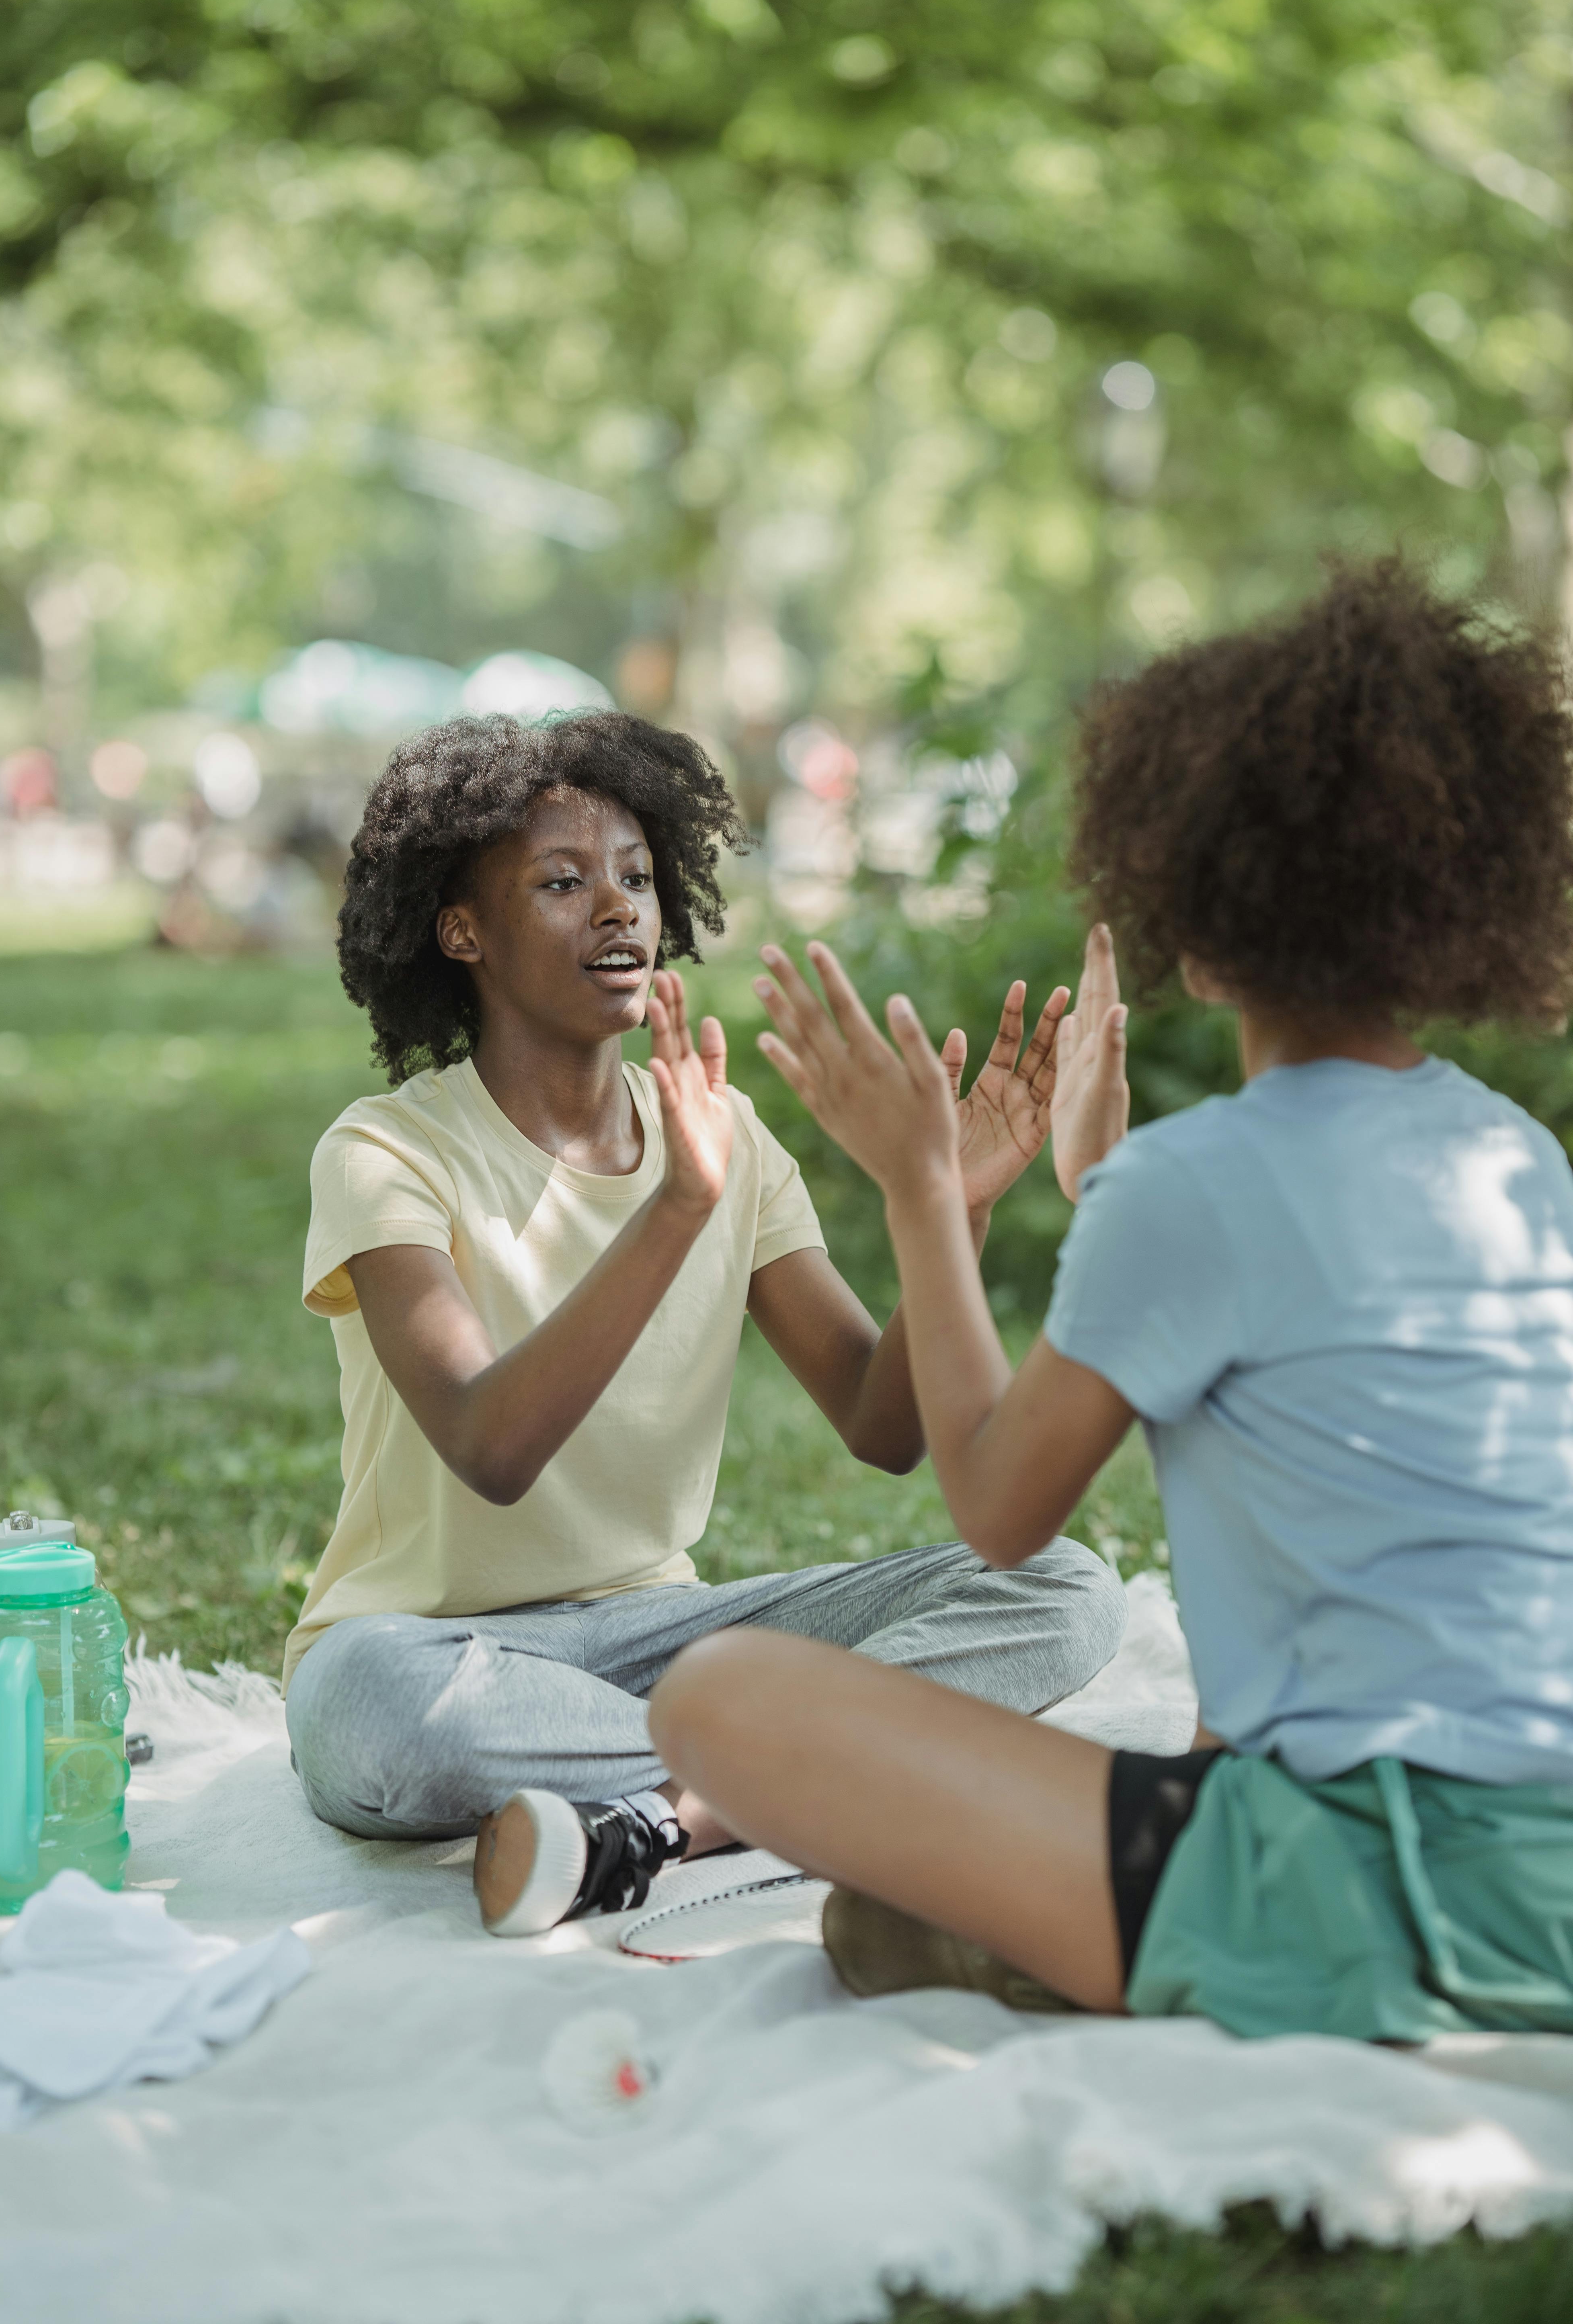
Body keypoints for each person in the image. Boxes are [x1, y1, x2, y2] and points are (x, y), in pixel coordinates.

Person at [648, 561, 1573, 2042]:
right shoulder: (1507, 1154)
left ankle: (1136, 1939)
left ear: (1193, 909)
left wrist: (919, 1185)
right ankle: (1072, 1922)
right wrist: (1105, 1189)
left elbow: (1001, 1509)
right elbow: (1296, 1330)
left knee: (720, 1699)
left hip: (1374, 1886)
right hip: (1552, 1867)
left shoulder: (1198, 1187)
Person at [283, 707, 1125, 1935]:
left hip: (663, 1634)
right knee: (371, 1719)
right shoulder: (384, 1153)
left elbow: (882, 1425)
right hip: (427, 1651)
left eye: (635, 877)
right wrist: (680, 1203)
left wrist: (943, 1201)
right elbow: (490, 1443)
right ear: (461, 930)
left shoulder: (732, 1143)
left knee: (1065, 1587)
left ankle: (681, 1814)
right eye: (562, 883)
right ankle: (787, 1773)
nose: (619, 910)